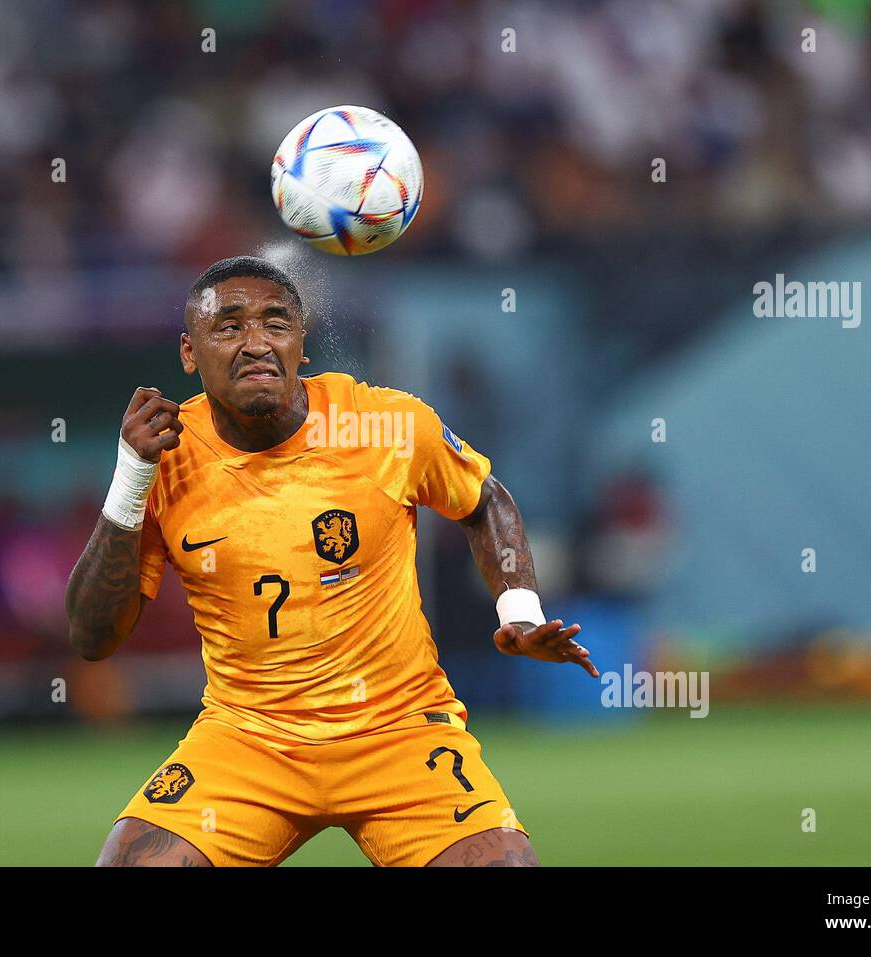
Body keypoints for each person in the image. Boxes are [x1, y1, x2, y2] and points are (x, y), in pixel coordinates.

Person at [65, 256, 597, 867]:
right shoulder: (164, 455)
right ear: (190, 353)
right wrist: (131, 478)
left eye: (275, 323)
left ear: (302, 347)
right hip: (249, 739)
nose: (256, 343)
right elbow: (91, 638)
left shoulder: (384, 424)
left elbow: (484, 500)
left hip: (399, 732)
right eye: (229, 326)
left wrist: (521, 610)